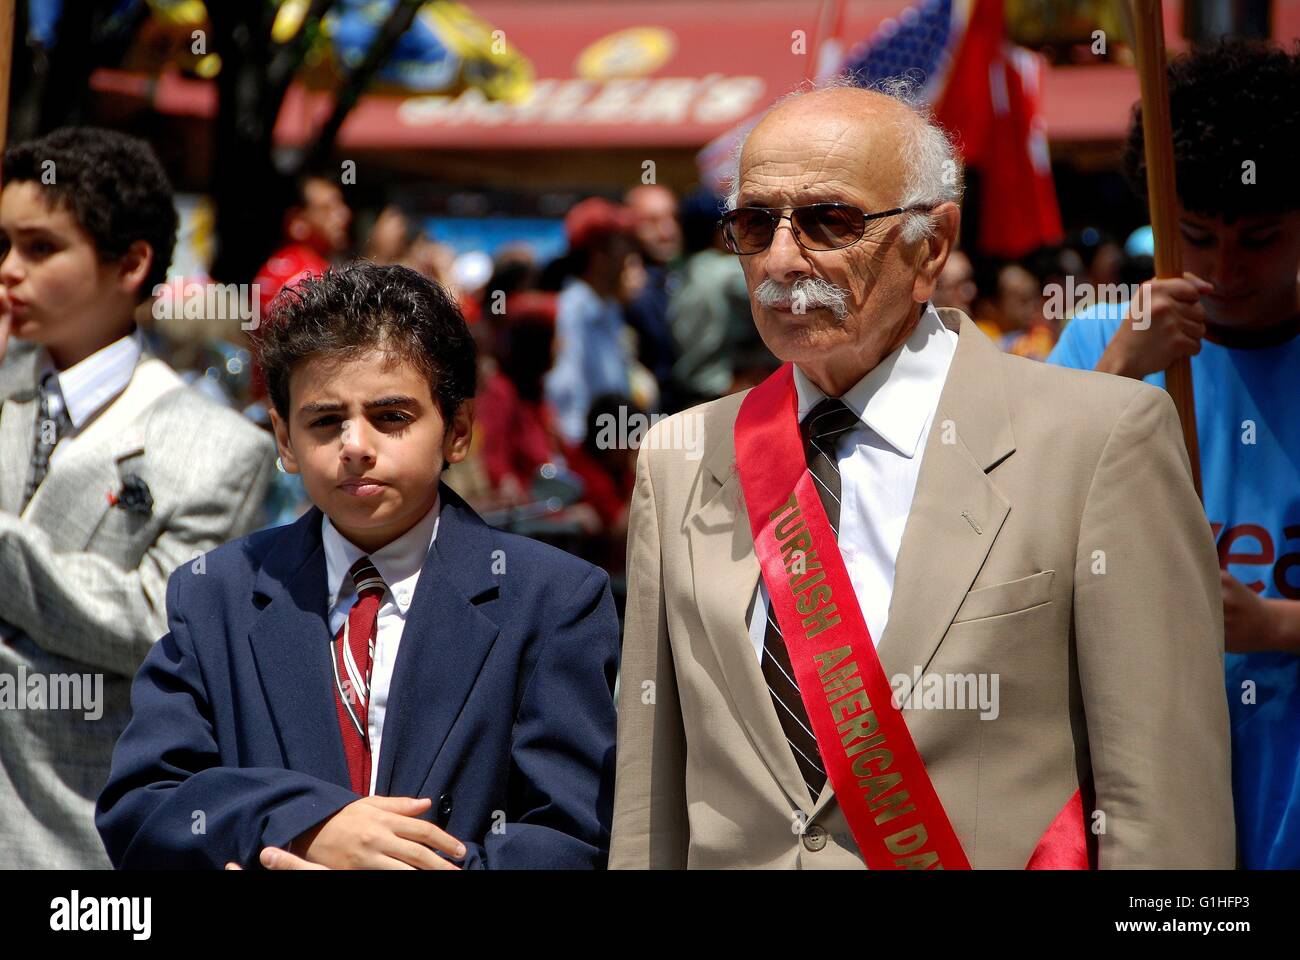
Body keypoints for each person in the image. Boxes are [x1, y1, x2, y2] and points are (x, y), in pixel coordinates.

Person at [610, 82, 1234, 869]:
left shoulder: (1100, 440)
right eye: (754, 221)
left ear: (931, 244)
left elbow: (1166, 814)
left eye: (828, 221)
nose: (778, 259)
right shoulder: (677, 459)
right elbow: (648, 807)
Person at [96, 263, 619, 869]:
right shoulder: (217, 595)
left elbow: (574, 834)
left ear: (457, 430)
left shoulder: (552, 598)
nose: (355, 446)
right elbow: (143, 807)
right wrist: (305, 828)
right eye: (324, 422)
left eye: (392, 417)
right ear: (284, 441)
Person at [1048, 38, 1300, 869]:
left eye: (1260, 238)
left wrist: (1274, 624)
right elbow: (1021, 548)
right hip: (1148, 790)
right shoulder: (1096, 341)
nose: (1224, 268)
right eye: (1194, 235)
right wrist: (1121, 372)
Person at [0, 127, 277, 868]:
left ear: (131, 263)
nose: (8, 271)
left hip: (78, 845)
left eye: (39, 248)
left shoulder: (219, 448)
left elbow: (155, 625)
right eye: (4, 244)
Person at [545, 198, 639, 444]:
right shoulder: (571, 310)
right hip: (590, 458)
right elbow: (567, 396)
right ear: (599, 255)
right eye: (621, 245)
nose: (627, 255)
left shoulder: (609, 307)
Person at [623, 185, 683, 401]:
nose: (668, 230)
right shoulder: (627, 288)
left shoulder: (677, 276)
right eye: (652, 221)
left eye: (673, 218)